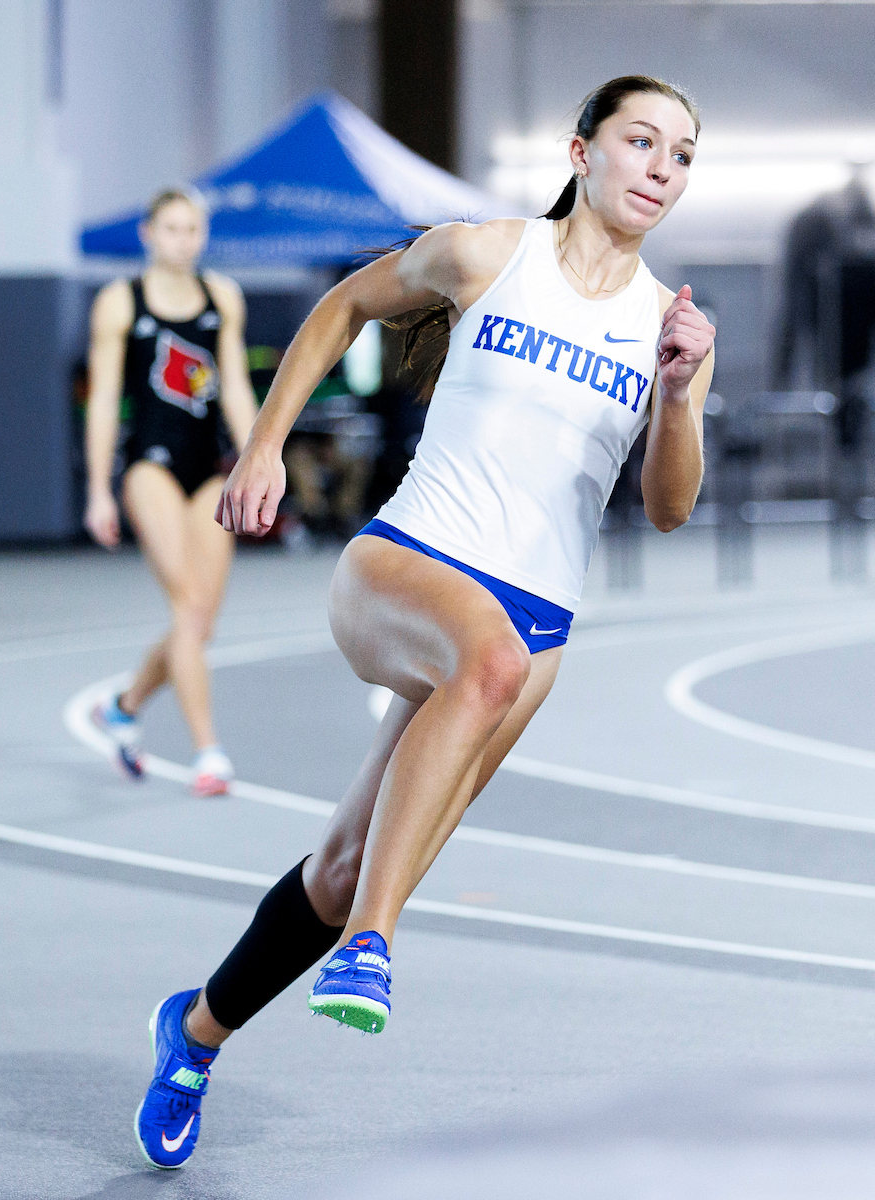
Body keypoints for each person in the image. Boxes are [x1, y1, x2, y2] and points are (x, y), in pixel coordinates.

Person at [133, 76, 715, 1169]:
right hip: (409, 564)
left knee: (346, 864)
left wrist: (679, 394)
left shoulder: (666, 328)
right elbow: (342, 305)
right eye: (641, 142)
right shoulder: (487, 254)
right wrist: (263, 443)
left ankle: (195, 1033)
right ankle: (373, 950)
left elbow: (671, 509)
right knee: (481, 671)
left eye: (681, 157)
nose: (660, 168)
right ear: (581, 151)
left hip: (533, 627)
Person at [84, 188, 257, 796]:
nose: (183, 239)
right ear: (149, 232)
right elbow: (105, 399)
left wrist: (260, 458)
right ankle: (208, 752)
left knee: (200, 622)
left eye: (193, 229)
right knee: (186, 609)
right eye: (172, 228)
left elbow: (233, 385)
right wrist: (99, 491)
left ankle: (124, 707)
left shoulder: (222, 297)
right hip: (148, 467)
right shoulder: (120, 302)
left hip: (206, 468)